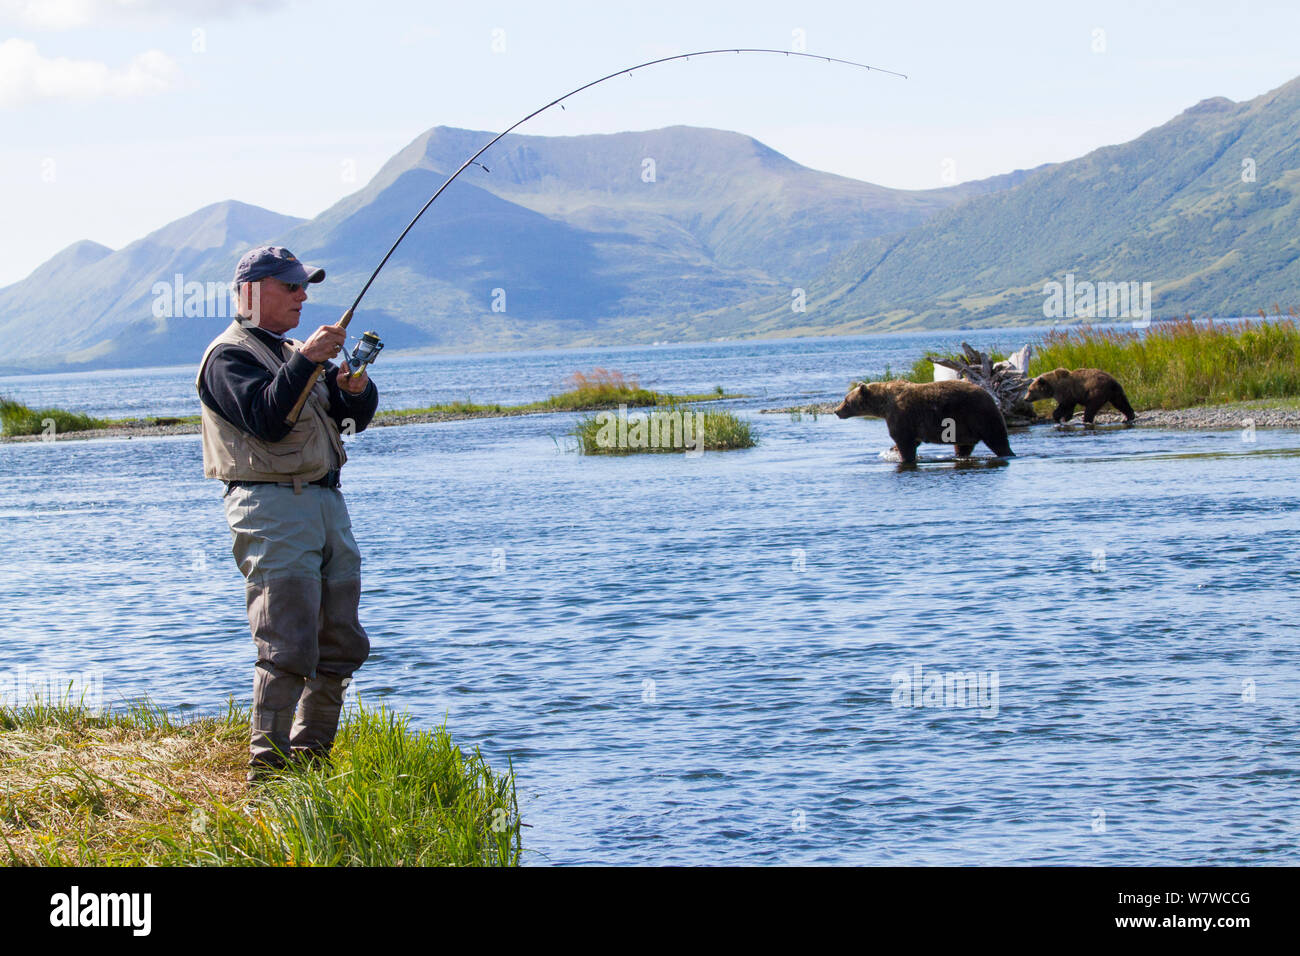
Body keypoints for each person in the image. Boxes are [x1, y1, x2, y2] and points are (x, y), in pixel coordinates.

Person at [195, 245, 379, 782]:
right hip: (269, 506)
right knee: (287, 642)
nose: (304, 296)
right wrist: (308, 361)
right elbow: (266, 419)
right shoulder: (227, 357)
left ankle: (312, 760)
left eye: (305, 287)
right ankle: (268, 774)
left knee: (340, 641)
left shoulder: (295, 351)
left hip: (327, 503)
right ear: (253, 292)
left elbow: (352, 423)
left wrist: (354, 389)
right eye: (292, 286)